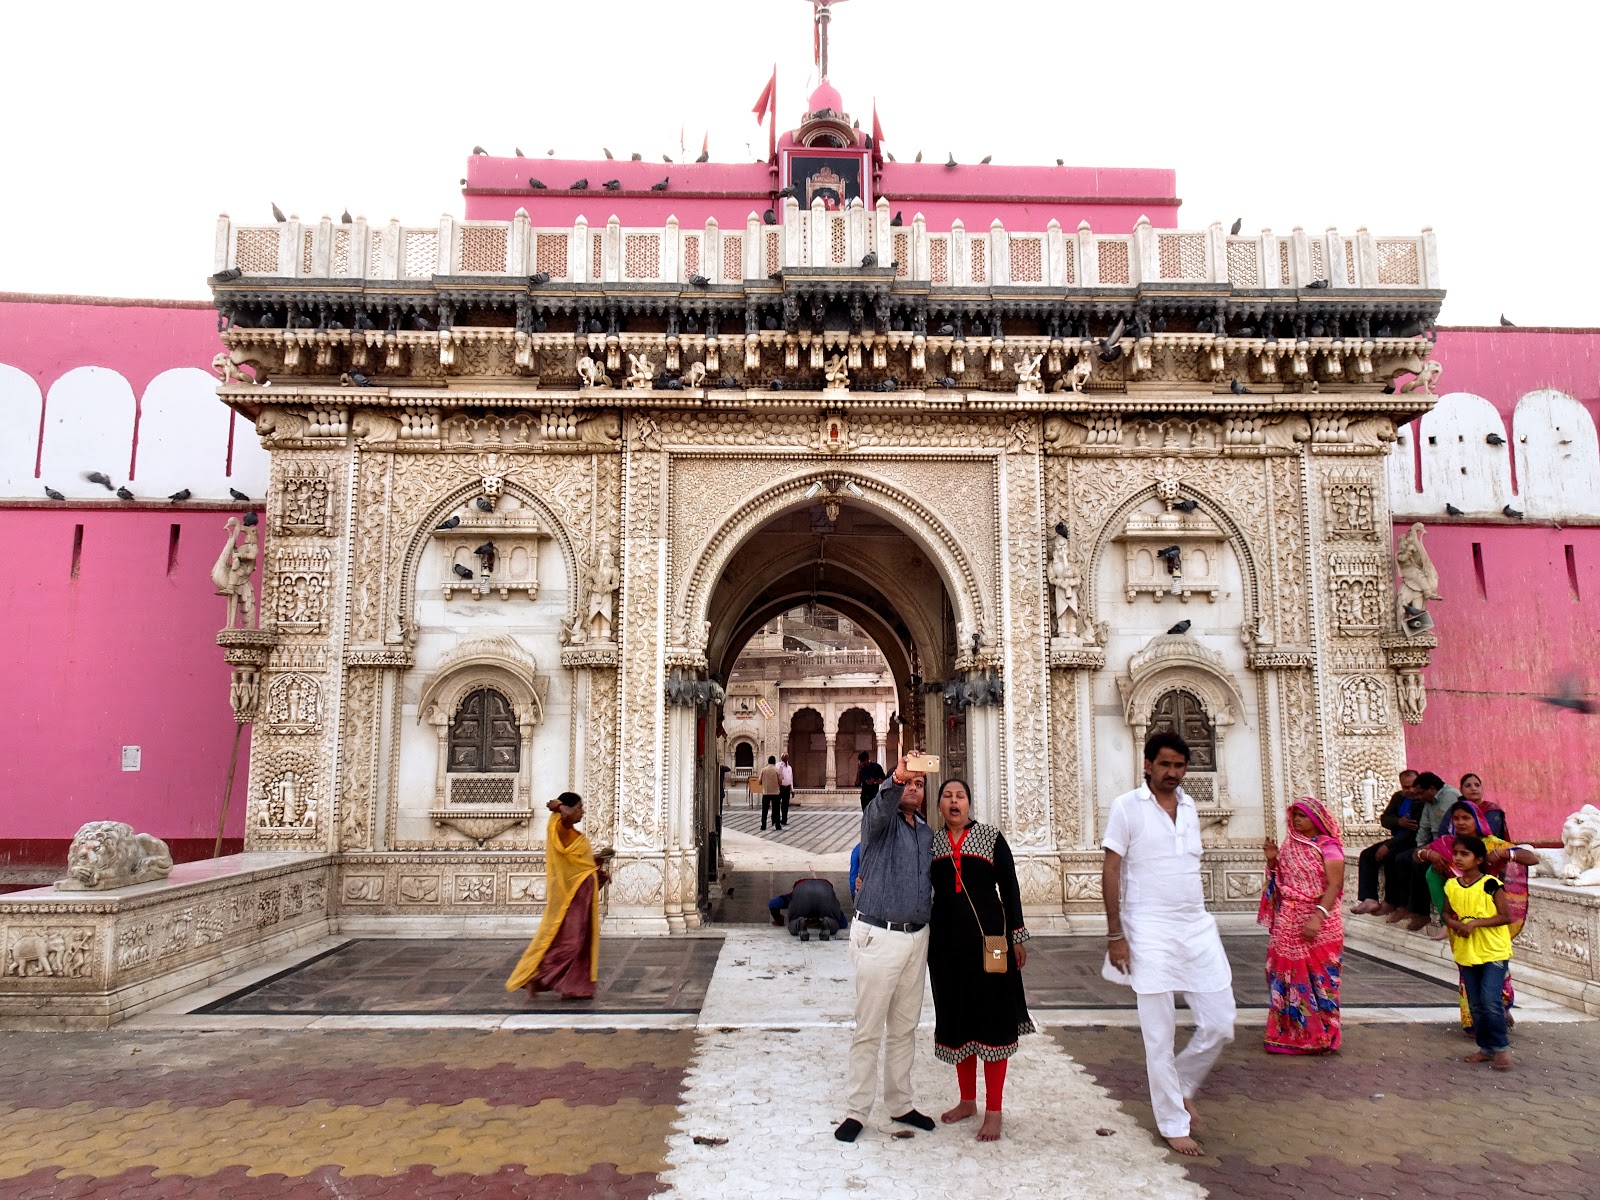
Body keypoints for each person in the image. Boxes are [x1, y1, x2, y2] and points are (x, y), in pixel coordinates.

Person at [1102, 731, 1234, 1158]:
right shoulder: (1127, 808)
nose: (1172, 773)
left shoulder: (1191, 807)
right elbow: (1112, 869)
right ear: (1147, 764)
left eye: (1179, 766)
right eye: (1165, 765)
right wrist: (1115, 933)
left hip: (1195, 927)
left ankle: (1181, 1084)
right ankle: (1173, 1122)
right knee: (1158, 1034)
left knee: (1220, 1022)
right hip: (1148, 929)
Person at [836, 753, 936, 1144]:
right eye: (909, 784)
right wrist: (896, 777)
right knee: (869, 1028)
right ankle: (857, 1110)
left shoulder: (925, 832)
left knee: (905, 1027)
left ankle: (900, 1103)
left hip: (915, 938)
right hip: (879, 935)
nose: (914, 788)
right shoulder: (879, 823)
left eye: (920, 784)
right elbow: (880, 805)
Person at [929, 777, 1034, 1141]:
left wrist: (1017, 936)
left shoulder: (990, 838)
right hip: (946, 948)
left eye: (960, 796)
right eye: (947, 796)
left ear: (969, 804)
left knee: (992, 1021)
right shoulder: (934, 843)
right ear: (940, 805)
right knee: (958, 1020)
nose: (954, 801)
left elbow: (1010, 886)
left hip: (991, 945)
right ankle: (967, 1101)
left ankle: (994, 1109)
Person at [1415, 797, 1536, 1031]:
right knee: (1466, 968)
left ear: (1478, 820)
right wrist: (1428, 856)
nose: (1460, 822)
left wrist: (1504, 855)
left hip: (1491, 919)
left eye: (1466, 818)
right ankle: (1474, 1021)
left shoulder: (1492, 844)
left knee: (1495, 968)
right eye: (1456, 818)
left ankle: (1499, 1011)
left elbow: (1531, 858)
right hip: (1461, 920)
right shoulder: (1449, 844)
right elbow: (1417, 855)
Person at [1259, 797, 1345, 1054]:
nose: (1297, 820)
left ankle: (1322, 1034)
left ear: (1317, 819)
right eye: (1295, 815)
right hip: (1289, 919)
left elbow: (1334, 885)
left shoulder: (1329, 847)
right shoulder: (1289, 846)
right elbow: (1280, 882)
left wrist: (1317, 917)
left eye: (1303, 816)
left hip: (1320, 921)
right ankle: (1289, 1033)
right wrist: (1272, 861)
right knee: (1283, 973)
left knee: (1321, 977)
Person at [505, 793, 610, 999]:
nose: (583, 811)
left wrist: (596, 861)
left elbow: (577, 862)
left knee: (582, 941)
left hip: (582, 895)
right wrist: (560, 807)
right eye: (580, 807)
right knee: (572, 942)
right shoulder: (561, 829)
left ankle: (573, 986)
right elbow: (565, 817)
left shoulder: (572, 835)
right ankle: (537, 978)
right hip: (573, 898)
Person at [1443, 834, 1516, 1070]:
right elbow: (1445, 914)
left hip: (1494, 950)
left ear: (1479, 859)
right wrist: (1456, 926)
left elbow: (1505, 916)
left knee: (1490, 999)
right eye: (1456, 853)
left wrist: (1474, 924)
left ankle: (1501, 1047)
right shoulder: (1452, 885)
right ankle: (1486, 1048)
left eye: (1465, 854)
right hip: (1467, 951)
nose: (1458, 858)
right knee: (1475, 1003)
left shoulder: (1491, 884)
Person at [1391, 771, 1459, 932]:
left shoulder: (1450, 797)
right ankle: (1405, 906)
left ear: (1432, 789)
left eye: (1421, 792)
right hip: (1433, 844)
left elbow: (1451, 830)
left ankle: (1423, 913)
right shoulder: (1428, 802)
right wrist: (1420, 850)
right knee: (1403, 859)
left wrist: (1432, 850)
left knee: (1422, 868)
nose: (1419, 797)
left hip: (1450, 844)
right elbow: (1424, 828)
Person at [1352, 770, 1418, 915]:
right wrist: (1398, 822)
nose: (1411, 790)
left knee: (1391, 857)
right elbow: (1385, 819)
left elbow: (1414, 831)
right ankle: (1369, 898)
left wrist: (1388, 845)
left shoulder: (1422, 801)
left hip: (1412, 840)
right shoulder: (1399, 798)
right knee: (1367, 855)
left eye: (1414, 786)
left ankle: (1392, 902)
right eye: (1406, 787)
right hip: (1397, 838)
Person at [768, 877, 849, 940]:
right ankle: (828, 923)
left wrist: (779, 920)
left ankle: (798, 923)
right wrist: (822, 923)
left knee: (793, 923)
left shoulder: (793, 894)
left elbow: (773, 903)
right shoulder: (830, 894)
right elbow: (843, 923)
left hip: (801, 895)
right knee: (834, 922)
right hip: (825, 894)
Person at [758, 755, 783, 832]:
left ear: (768, 761)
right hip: (775, 792)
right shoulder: (777, 770)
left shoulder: (763, 770)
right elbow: (780, 781)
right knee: (776, 810)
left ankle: (763, 825)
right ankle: (777, 825)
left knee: (764, 810)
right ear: (774, 762)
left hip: (766, 792)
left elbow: (759, 781)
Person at [778, 753, 795, 829]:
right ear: (782, 758)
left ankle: (784, 820)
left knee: (785, 805)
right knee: (777, 804)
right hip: (780, 787)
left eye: (787, 757)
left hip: (787, 787)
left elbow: (790, 779)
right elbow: (778, 774)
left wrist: (792, 789)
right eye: (784, 757)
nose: (786, 758)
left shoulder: (789, 768)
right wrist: (782, 765)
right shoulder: (778, 765)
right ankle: (776, 819)